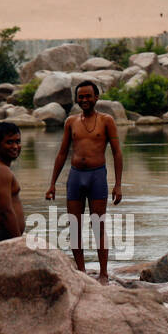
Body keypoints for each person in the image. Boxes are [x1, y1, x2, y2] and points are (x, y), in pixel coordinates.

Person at [45, 80, 123, 283]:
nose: (85, 100)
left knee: (98, 226)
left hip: (97, 176)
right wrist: (52, 183)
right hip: (75, 176)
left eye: (89, 96)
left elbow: (117, 153)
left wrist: (118, 184)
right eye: (81, 97)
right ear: (76, 99)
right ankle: (81, 271)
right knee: (74, 226)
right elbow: (62, 153)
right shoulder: (71, 122)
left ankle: (104, 273)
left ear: (96, 97)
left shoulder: (107, 121)